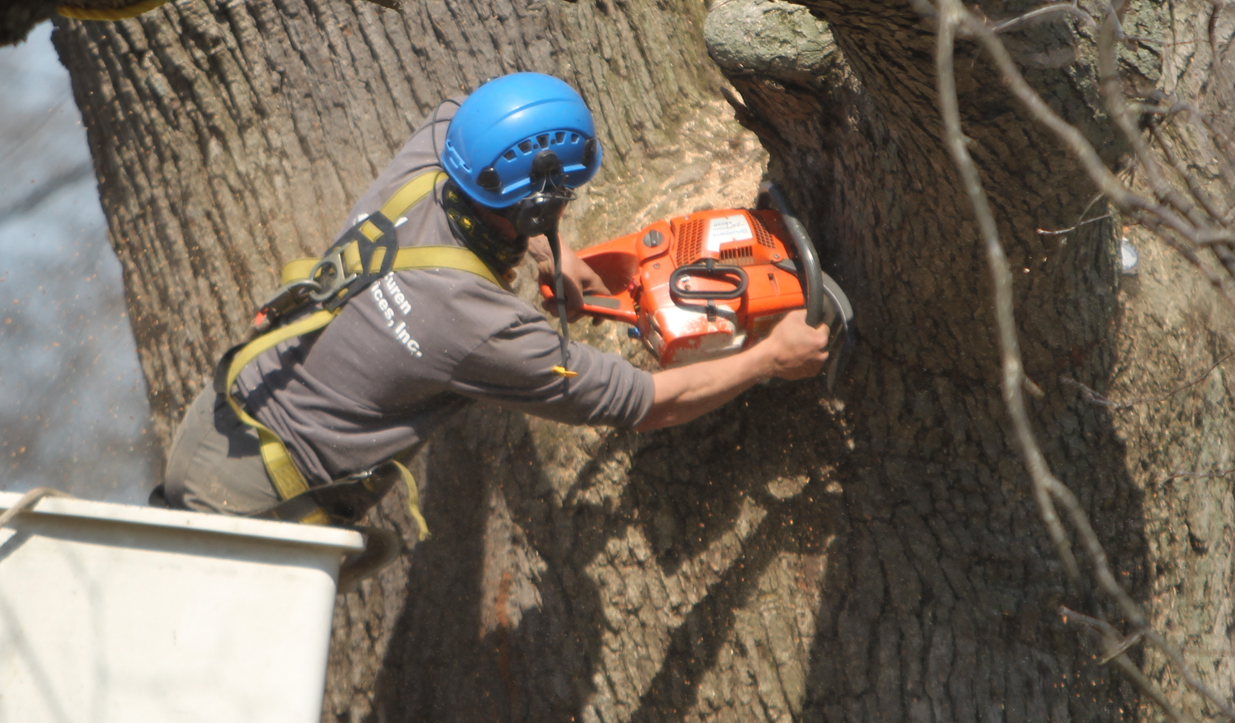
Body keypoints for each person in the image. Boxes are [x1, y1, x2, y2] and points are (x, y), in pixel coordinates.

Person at [161, 72, 829, 530]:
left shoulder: (435, 159)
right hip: (260, 503)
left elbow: (471, 107)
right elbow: (645, 402)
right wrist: (770, 357)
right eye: (559, 201)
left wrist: (549, 246)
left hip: (214, 422)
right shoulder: (475, 325)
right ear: (536, 202)